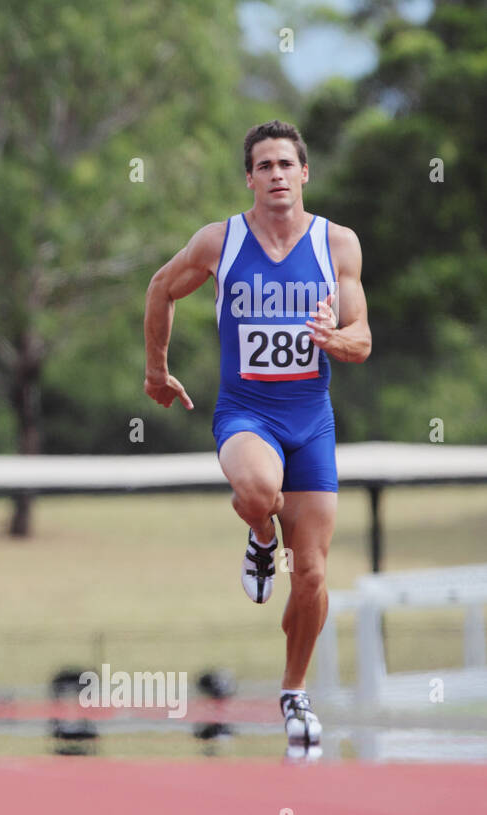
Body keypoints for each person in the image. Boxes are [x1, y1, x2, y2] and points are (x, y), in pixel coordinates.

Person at [143, 120, 371, 755]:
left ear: (304, 174)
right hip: (246, 413)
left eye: (285, 164)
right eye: (263, 165)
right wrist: (157, 369)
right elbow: (162, 288)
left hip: (311, 421)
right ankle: (261, 536)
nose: (275, 174)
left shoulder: (338, 245)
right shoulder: (220, 242)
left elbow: (362, 340)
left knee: (315, 577)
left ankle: (295, 692)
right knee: (256, 487)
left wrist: (334, 340)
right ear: (249, 178)